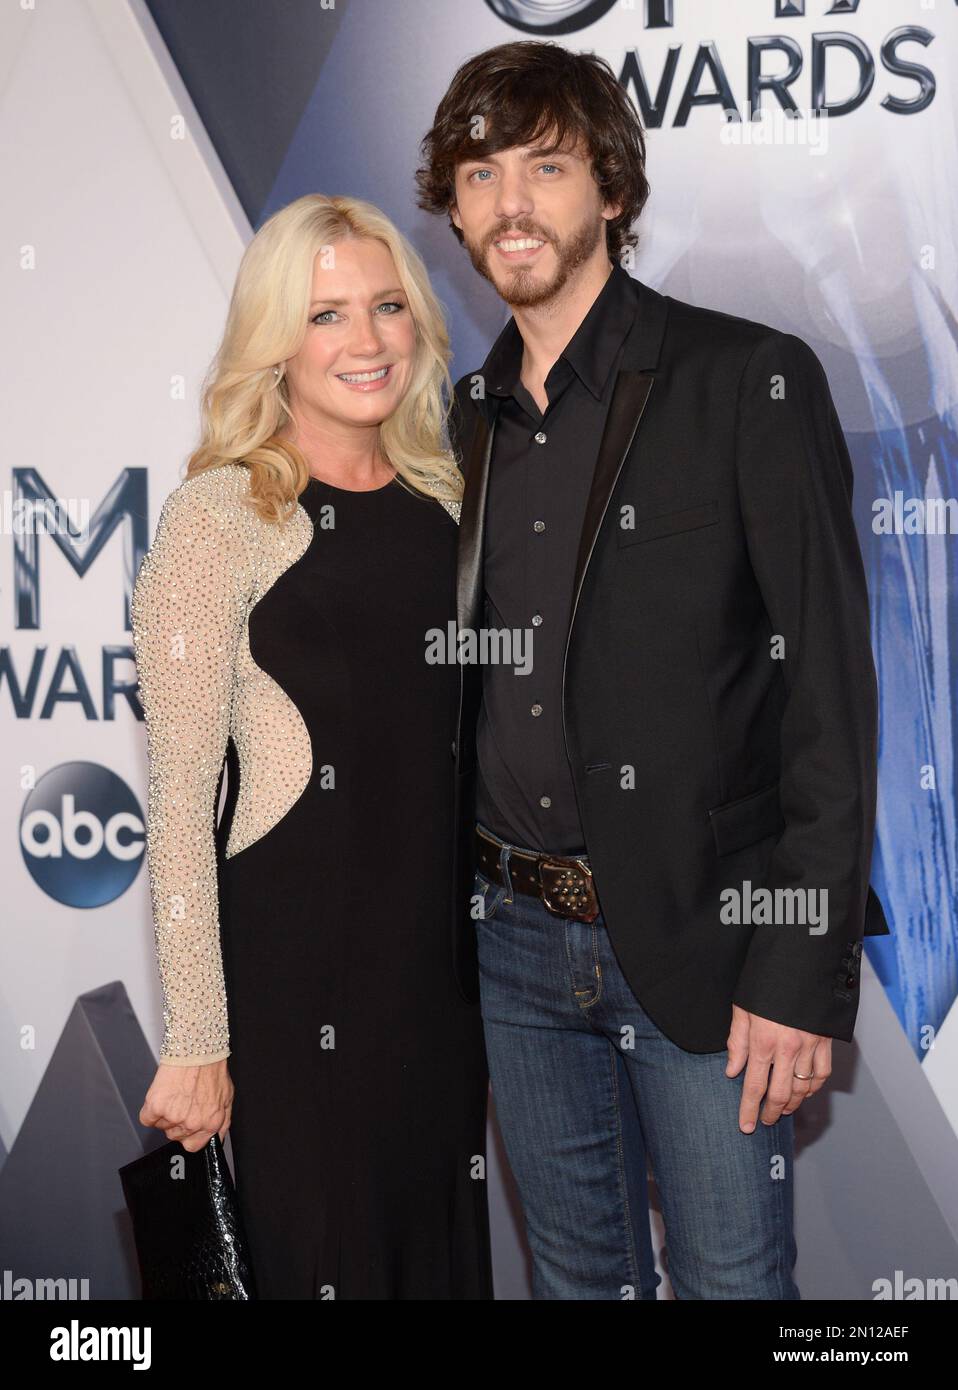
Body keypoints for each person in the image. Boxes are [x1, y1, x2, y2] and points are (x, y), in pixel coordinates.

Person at [416, 40, 890, 1300]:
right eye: (479, 173)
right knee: (578, 1283)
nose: (510, 201)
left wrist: (799, 969)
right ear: (454, 208)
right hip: (513, 943)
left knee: (736, 1285)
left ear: (611, 191)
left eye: (547, 165)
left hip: (709, 941)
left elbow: (829, 704)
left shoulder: (746, 378)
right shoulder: (460, 423)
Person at [131, 193, 492, 1300]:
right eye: (325, 314)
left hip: (439, 979)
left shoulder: (449, 501)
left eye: (386, 306)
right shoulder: (218, 516)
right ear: (274, 339)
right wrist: (196, 1036)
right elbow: (181, 799)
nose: (367, 340)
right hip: (298, 973)